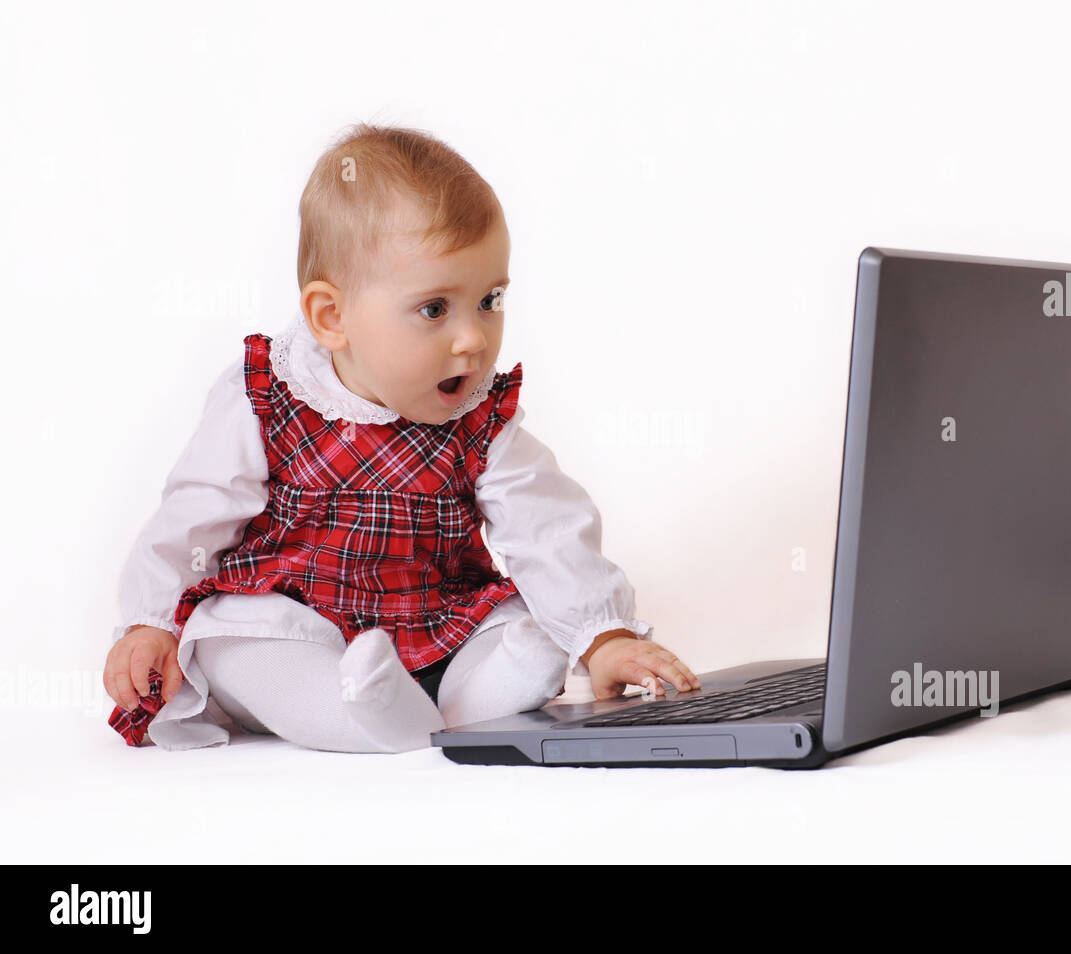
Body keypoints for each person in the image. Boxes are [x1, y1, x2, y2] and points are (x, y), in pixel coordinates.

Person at [101, 122, 701, 753]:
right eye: (435, 309)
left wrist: (603, 638)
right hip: (296, 623)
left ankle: (459, 701)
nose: (472, 338)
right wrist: (151, 620)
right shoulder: (269, 396)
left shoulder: (480, 419)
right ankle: (358, 713)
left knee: (531, 630)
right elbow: (194, 515)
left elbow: (545, 529)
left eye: (490, 300)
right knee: (229, 638)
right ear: (333, 317)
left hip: (435, 626)